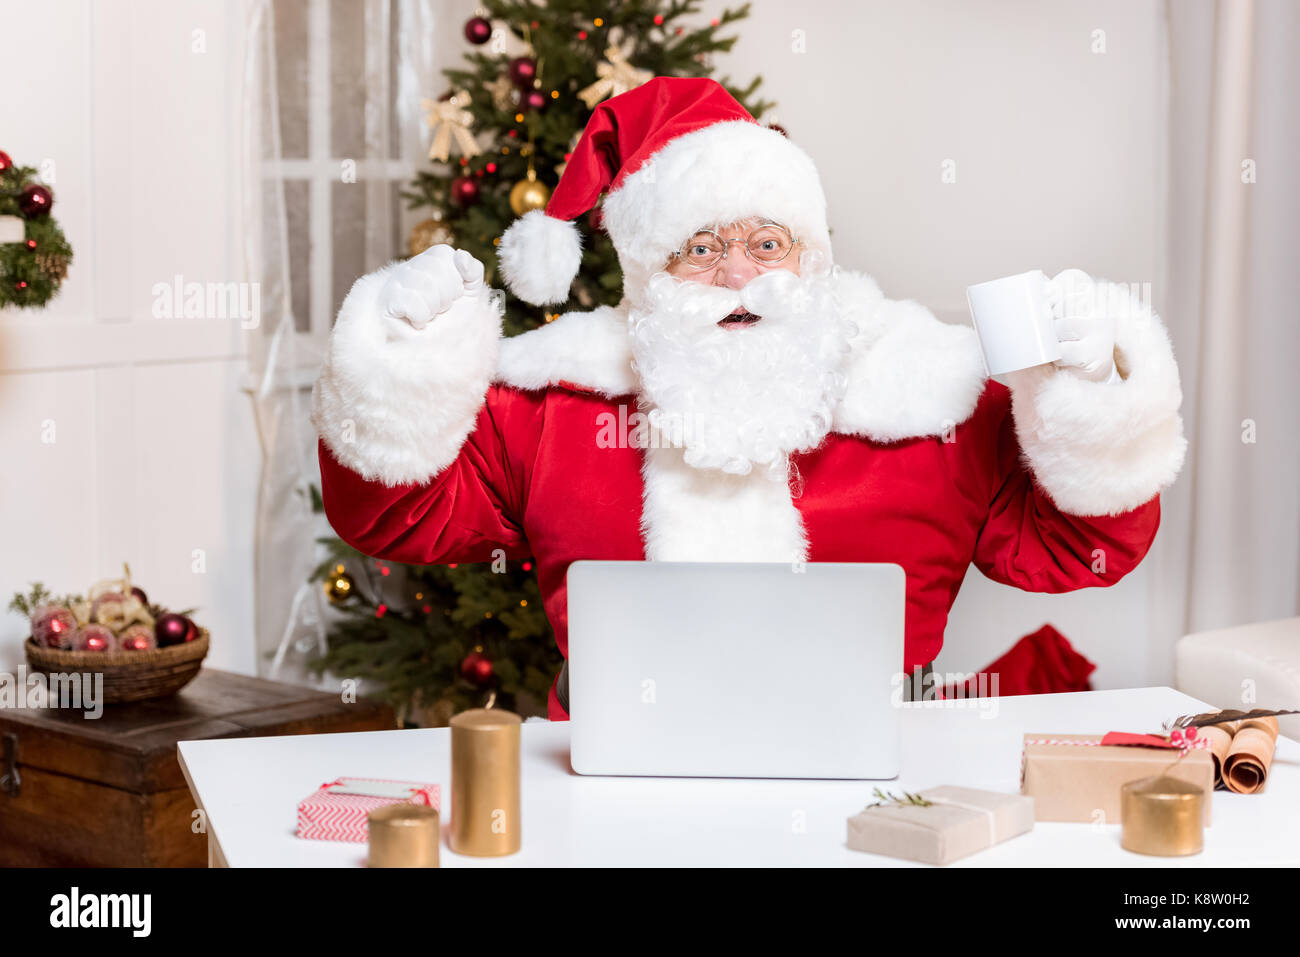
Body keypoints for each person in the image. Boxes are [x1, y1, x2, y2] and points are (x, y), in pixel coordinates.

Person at [312, 77, 1186, 719]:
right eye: (699, 247)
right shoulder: (555, 400)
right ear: (646, 275)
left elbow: (1083, 548)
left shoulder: (933, 390)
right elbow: (394, 517)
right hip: (610, 788)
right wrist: (395, 373)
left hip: (883, 778)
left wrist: (1093, 402)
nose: (736, 273)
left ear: (813, 257)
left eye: (766, 241)